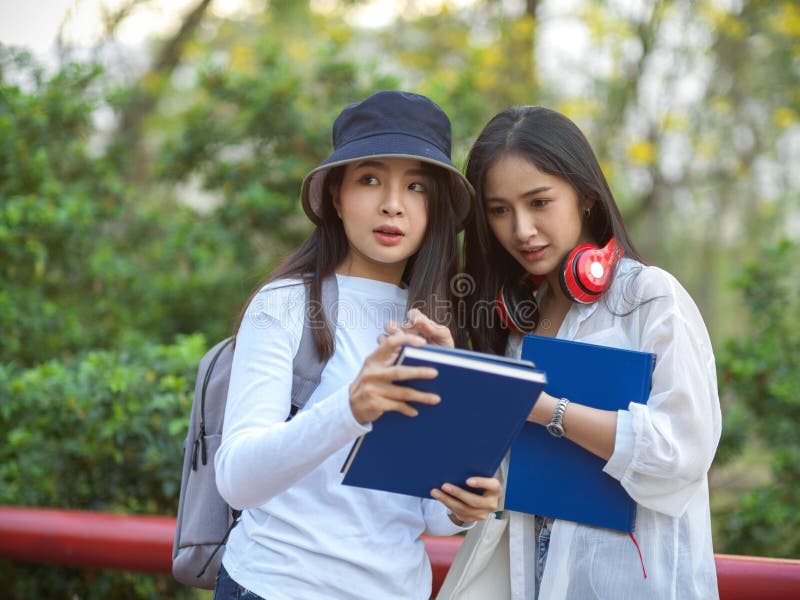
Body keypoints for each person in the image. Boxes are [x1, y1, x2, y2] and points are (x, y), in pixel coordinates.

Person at [212, 90, 502, 600]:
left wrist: (464, 503)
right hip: (277, 586)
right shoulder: (285, 304)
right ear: (335, 196)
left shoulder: (436, 325)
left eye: (416, 186)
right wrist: (351, 406)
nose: (393, 203)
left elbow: (433, 518)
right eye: (370, 179)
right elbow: (237, 479)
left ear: (434, 208)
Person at [460, 105, 722, 599]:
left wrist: (545, 410)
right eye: (499, 210)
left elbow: (681, 454)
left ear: (583, 196)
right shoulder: (516, 323)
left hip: (626, 581)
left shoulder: (648, 298)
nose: (521, 229)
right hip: (530, 579)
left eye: (539, 202)